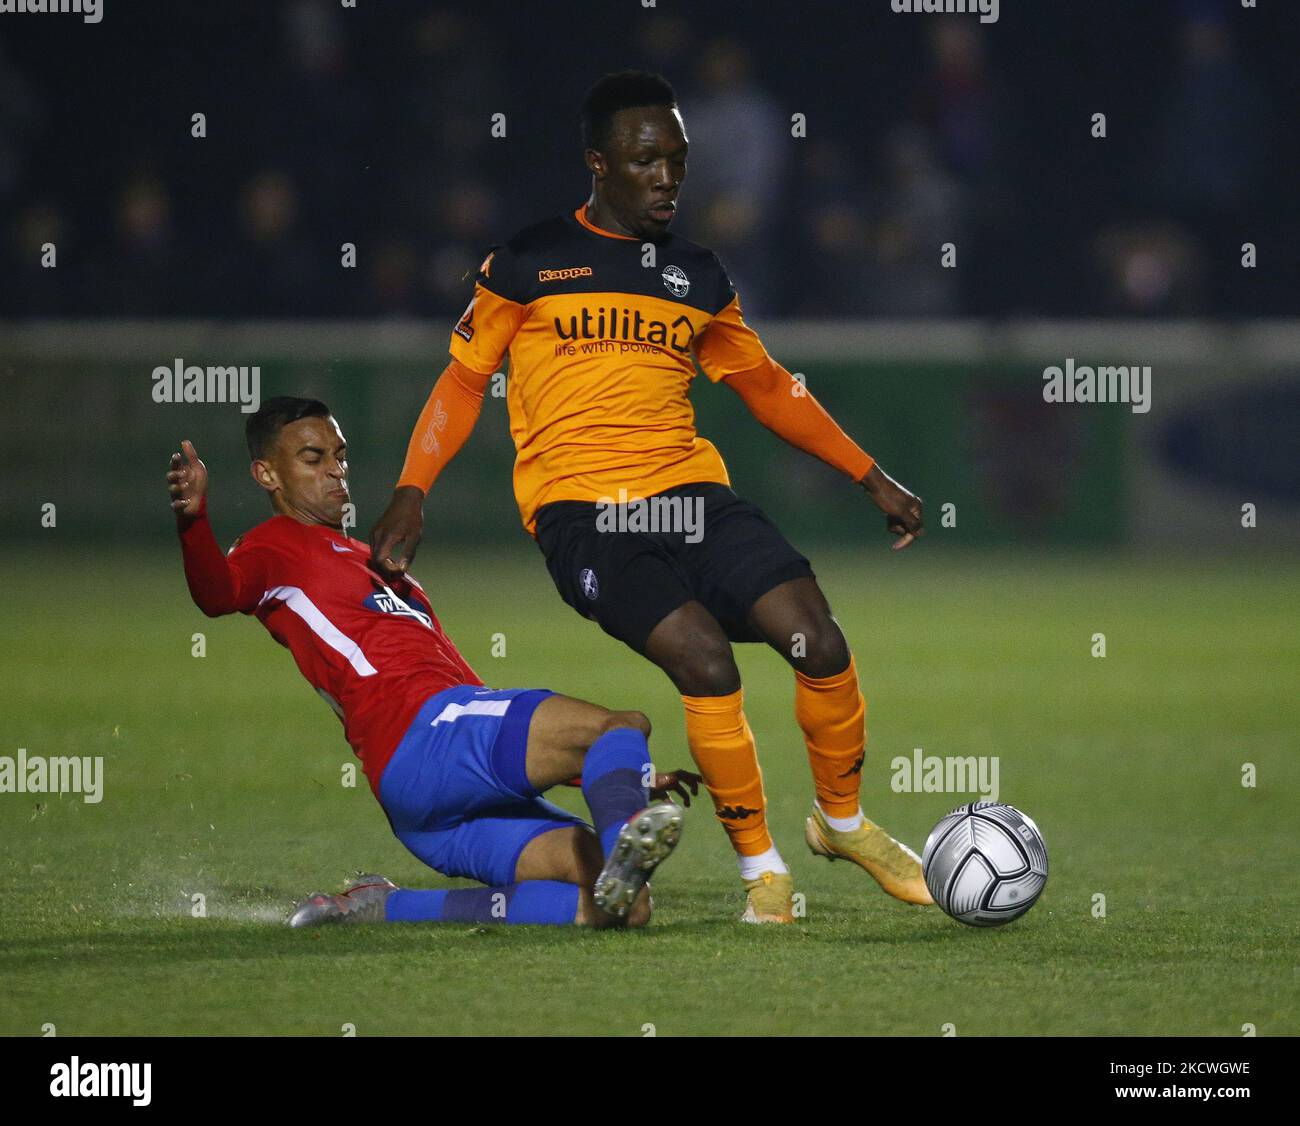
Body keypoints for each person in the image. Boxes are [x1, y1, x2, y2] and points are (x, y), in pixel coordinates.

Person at [370, 71, 932, 924]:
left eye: (676, 159)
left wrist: (870, 474)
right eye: (645, 161)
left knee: (817, 640)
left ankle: (843, 823)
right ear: (599, 165)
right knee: (705, 659)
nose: (667, 177)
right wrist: (413, 491)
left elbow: (771, 388)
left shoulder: (698, 276)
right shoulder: (526, 263)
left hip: (692, 495)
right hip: (583, 516)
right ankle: (764, 873)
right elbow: (460, 384)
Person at [169, 396, 696, 929]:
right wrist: (193, 522)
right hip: (427, 735)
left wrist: (612, 775)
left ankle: (383, 907)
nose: (335, 470)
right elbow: (219, 594)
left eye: (340, 455)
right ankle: (625, 833)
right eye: (313, 458)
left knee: (624, 907)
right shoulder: (274, 545)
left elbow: (476, 697)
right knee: (624, 724)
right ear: (266, 473)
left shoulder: (387, 572)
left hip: (429, 786)